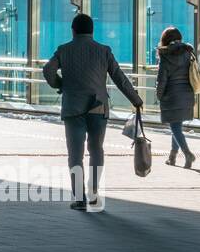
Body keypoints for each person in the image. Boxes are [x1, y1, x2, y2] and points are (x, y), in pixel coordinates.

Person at [43, 13, 143, 210]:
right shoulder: (103, 51)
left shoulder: (64, 50)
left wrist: (61, 84)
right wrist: (136, 99)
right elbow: (119, 78)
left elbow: (48, 70)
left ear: (73, 31)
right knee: (96, 149)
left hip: (73, 108)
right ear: (92, 31)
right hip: (98, 107)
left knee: (75, 154)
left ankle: (79, 198)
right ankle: (94, 192)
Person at [156, 26, 197, 168]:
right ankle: (172, 157)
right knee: (176, 125)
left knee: (174, 127)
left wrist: (159, 95)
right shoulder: (188, 52)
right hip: (187, 93)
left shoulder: (165, 55)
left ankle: (187, 154)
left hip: (171, 95)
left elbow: (161, 80)